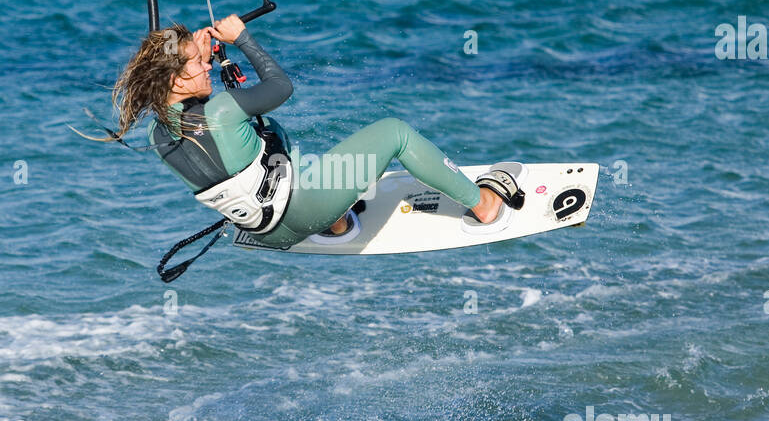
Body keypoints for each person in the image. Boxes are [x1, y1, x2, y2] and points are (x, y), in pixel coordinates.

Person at [105, 15, 522, 249]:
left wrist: (189, 51)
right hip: (301, 211)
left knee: (272, 147)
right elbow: (280, 87)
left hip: (263, 230)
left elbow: (218, 137)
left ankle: (337, 222)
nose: (209, 64)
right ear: (176, 81)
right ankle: (482, 204)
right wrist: (243, 38)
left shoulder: (157, 136)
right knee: (394, 132)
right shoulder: (221, 111)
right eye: (199, 63)